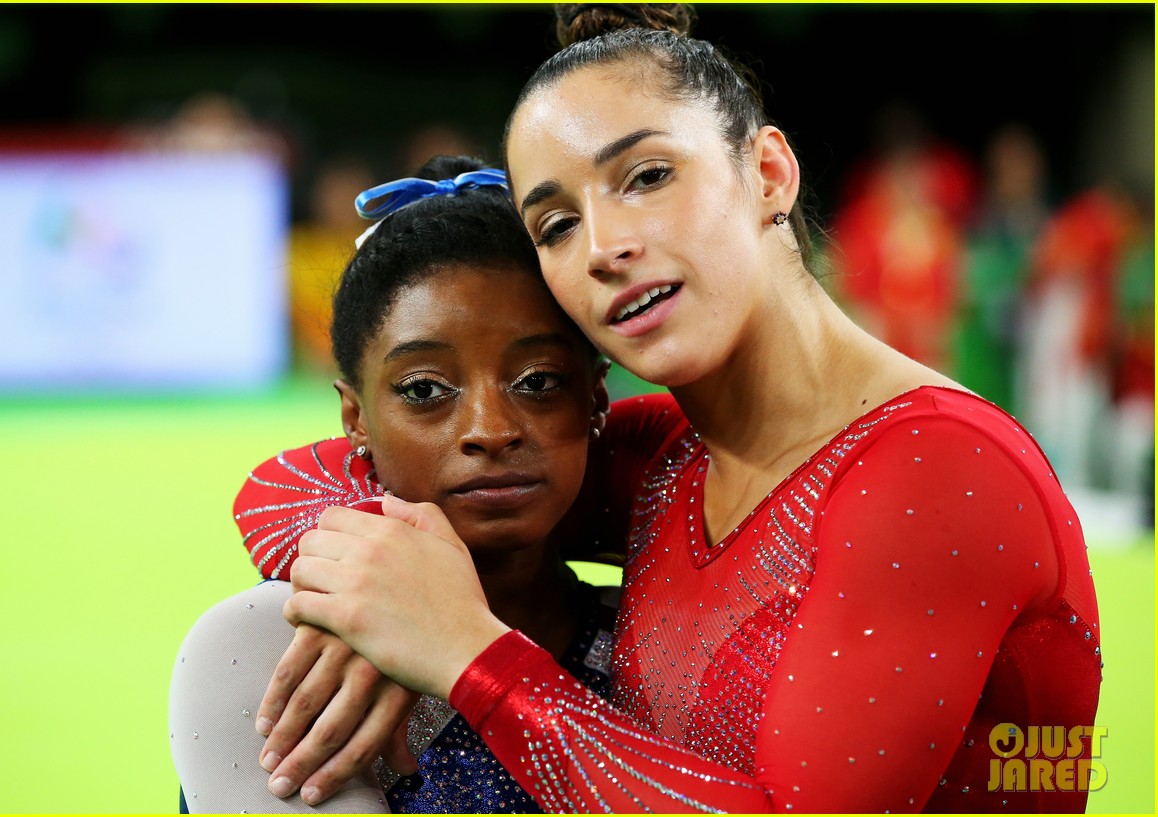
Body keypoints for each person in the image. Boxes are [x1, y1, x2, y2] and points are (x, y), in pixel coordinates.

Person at [262, 5, 1103, 812]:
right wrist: (376, 578)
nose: (603, 248)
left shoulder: (935, 469)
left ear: (768, 172)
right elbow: (286, 484)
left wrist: (463, 651)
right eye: (556, 223)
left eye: (648, 176)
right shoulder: (672, 455)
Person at [170, 154, 624, 812]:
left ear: (595, 396)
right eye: (425, 389)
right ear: (355, 416)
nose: (490, 429)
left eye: (539, 381)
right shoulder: (273, 648)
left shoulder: (657, 640)